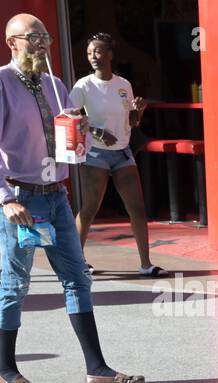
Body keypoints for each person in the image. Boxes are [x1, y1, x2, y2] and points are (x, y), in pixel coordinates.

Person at [0, 13, 143, 383]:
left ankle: (97, 368)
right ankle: (6, 368)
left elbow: (69, 135)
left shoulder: (55, 83)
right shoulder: (1, 82)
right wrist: (5, 199)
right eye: (33, 37)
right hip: (20, 194)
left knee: (78, 278)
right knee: (14, 284)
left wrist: (78, 134)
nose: (41, 44)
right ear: (12, 41)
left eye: (45, 37)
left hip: (55, 194)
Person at [71, 32, 166, 277]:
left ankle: (146, 264)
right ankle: (77, 262)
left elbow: (131, 121)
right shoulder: (84, 85)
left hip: (123, 152)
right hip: (96, 154)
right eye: (90, 52)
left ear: (110, 55)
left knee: (137, 208)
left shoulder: (124, 84)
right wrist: (97, 132)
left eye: (98, 51)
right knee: (90, 209)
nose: (93, 56)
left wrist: (139, 112)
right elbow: (68, 116)